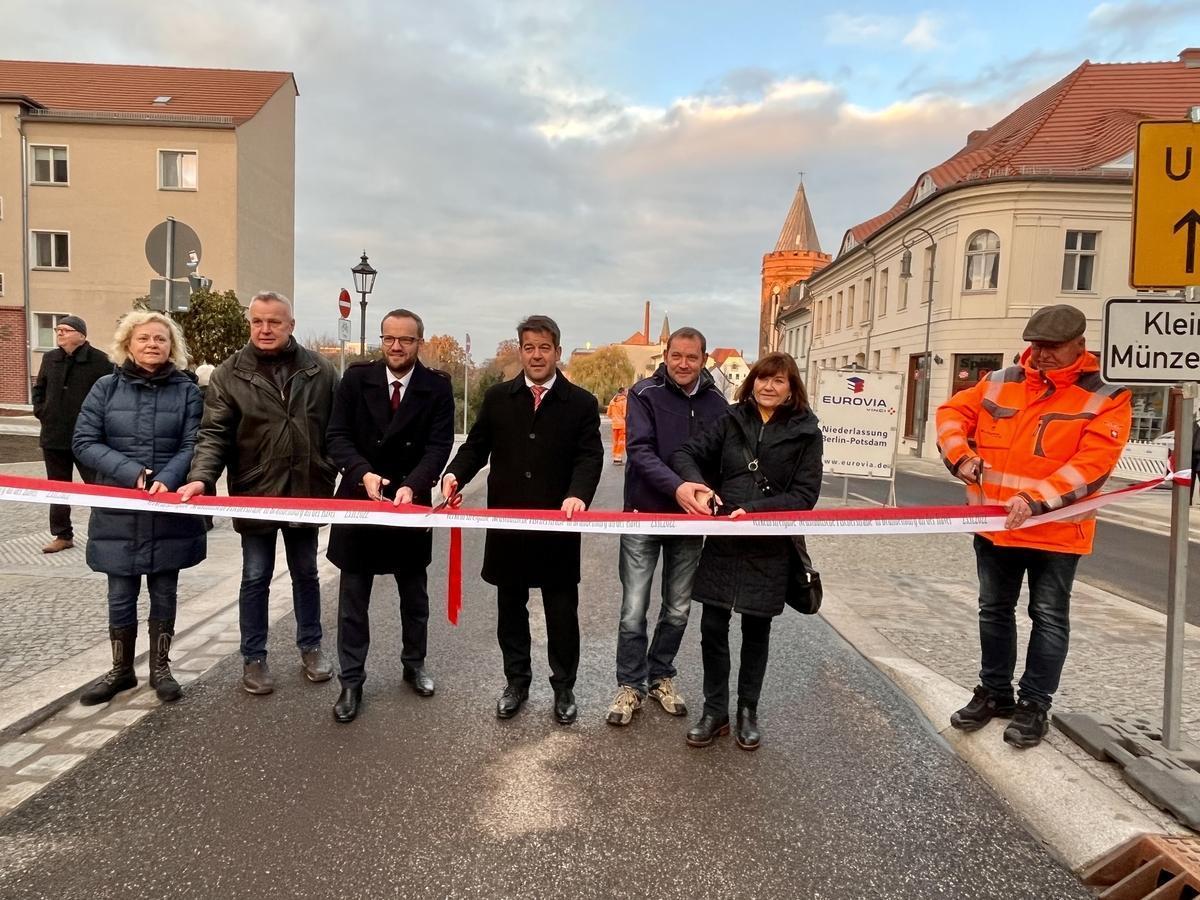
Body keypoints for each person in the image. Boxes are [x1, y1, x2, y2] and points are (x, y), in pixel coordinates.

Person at [937, 304, 1131, 749]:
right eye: (1036, 346)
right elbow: (950, 413)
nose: (1040, 355)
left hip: (1057, 532)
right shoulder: (1002, 381)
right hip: (996, 527)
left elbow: (1093, 464)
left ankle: (1034, 705)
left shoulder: (1106, 395)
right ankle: (995, 693)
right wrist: (960, 455)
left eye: (1052, 348)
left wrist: (1036, 499)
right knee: (993, 610)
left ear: (1079, 345)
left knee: (1047, 617)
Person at [441, 315, 603, 724]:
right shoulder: (499, 398)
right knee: (510, 608)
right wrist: (454, 474)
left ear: (557, 352)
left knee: (561, 612)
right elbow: (477, 446)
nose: (536, 355)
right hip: (509, 525)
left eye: (544, 347)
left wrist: (578, 494)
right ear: (520, 351)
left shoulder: (580, 403)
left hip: (558, 526)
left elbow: (589, 456)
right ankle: (516, 682)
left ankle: (564, 687)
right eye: (529, 347)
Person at [178, 291, 339, 695]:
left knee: (306, 573)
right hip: (255, 489)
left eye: (275, 322)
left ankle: (311, 647)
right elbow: (214, 434)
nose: (265, 329)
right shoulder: (229, 374)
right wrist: (202, 477)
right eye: (258, 322)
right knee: (255, 576)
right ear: (250, 323)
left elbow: (337, 430)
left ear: (291, 325)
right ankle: (254, 656)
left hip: (306, 488)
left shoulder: (320, 370)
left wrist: (333, 469)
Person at [671, 352, 822, 751]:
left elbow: (805, 496)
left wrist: (753, 510)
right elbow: (685, 454)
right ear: (752, 381)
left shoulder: (807, 431)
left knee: (757, 630)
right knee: (711, 628)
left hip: (770, 544)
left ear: (792, 389)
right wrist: (698, 486)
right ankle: (715, 710)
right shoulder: (731, 419)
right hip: (723, 542)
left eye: (778, 381)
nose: (768, 386)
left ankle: (747, 712)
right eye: (762, 379)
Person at [325, 308, 455, 723]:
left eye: (406, 340)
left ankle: (414, 664)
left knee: (414, 596)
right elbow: (337, 436)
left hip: (408, 502)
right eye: (390, 339)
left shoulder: (436, 387)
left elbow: (439, 446)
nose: (397, 347)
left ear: (420, 342)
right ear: (381, 341)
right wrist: (362, 473)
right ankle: (351, 681)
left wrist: (414, 485)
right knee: (352, 602)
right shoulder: (356, 379)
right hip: (361, 500)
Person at [72, 311, 206, 704]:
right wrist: (132, 472)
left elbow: (193, 443)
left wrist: (170, 475)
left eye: (161, 339)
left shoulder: (186, 391)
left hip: (168, 507)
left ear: (172, 347)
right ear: (128, 344)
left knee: (165, 590)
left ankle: (160, 668)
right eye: (144, 338)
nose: (152, 345)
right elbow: (84, 440)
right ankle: (120, 670)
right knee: (120, 592)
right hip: (119, 509)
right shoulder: (105, 389)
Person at [606, 327, 729, 727]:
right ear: (666, 354)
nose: (683, 364)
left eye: (691, 357)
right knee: (633, 609)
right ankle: (630, 684)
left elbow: (723, 458)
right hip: (644, 513)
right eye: (676, 355)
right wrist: (678, 488)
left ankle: (660, 675)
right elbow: (640, 451)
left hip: (691, 520)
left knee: (677, 609)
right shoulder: (644, 394)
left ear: (704, 359)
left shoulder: (717, 403)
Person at [32, 315, 112, 553]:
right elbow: (39, 389)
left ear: (82, 334)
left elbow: (111, 395)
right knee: (58, 488)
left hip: (88, 439)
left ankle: (104, 532)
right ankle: (62, 534)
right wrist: (42, 411)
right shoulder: (50, 358)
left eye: (66, 330)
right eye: (58, 329)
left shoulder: (101, 361)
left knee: (96, 487)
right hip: (54, 436)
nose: (60, 333)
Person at [606, 387, 628, 465]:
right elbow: (625, 414)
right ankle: (618, 459)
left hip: (614, 424)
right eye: (626, 391)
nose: (627, 393)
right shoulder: (624, 401)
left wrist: (615, 418)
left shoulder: (612, 401)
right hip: (622, 425)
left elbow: (608, 414)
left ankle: (615, 457)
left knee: (615, 441)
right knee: (621, 442)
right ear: (623, 392)